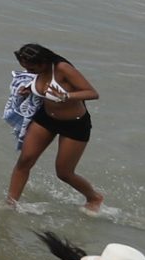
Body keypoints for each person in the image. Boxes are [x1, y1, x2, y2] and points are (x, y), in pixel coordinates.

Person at [6, 43, 104, 212]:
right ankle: (10, 203)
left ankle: (94, 197)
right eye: (25, 67)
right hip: (46, 119)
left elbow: (92, 93)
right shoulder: (36, 71)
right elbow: (40, 84)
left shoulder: (62, 68)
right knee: (24, 161)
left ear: (43, 63)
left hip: (75, 124)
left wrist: (66, 96)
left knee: (64, 172)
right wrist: (29, 89)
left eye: (31, 68)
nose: (28, 71)